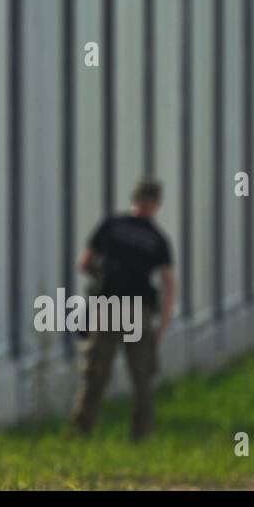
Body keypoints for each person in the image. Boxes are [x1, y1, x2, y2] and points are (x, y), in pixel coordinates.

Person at [70, 177, 175, 441]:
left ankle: (82, 431)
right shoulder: (157, 239)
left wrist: (100, 279)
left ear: (134, 197)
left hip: (106, 306)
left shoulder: (112, 226)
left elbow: (84, 263)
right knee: (142, 376)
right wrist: (162, 323)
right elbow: (169, 284)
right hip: (137, 311)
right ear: (157, 204)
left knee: (95, 373)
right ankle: (142, 436)